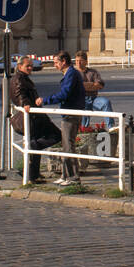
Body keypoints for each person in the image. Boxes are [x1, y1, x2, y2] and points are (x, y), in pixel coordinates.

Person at [34, 51, 86, 186]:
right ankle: (65, 175)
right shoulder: (70, 74)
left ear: (63, 61)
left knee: (68, 145)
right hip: (69, 112)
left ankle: (73, 177)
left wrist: (45, 100)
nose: (55, 65)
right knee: (66, 145)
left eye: (56, 62)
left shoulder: (71, 74)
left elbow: (65, 94)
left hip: (71, 113)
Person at [9, 55, 60, 182]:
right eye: (28, 66)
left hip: (35, 117)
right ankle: (32, 174)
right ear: (19, 67)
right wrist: (25, 103)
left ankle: (33, 174)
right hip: (32, 118)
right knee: (57, 135)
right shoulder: (19, 78)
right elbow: (19, 93)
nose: (31, 68)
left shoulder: (23, 77)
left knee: (37, 142)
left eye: (31, 65)